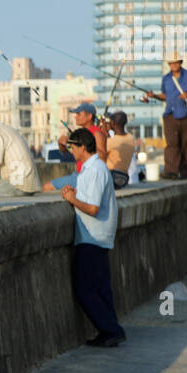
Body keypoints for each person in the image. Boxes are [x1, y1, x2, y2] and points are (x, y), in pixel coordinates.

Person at [59, 127, 124, 347]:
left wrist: (71, 199)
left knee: (85, 289)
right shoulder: (92, 168)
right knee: (101, 289)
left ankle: (111, 329)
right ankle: (111, 331)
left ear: (83, 147)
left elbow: (93, 208)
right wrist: (75, 194)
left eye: (73, 147)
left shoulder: (94, 169)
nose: (71, 151)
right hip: (96, 236)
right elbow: (90, 199)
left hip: (92, 237)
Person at [141, 58, 187, 179]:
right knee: (171, 144)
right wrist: (154, 96)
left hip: (186, 114)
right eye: (171, 63)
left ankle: (185, 172)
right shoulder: (166, 78)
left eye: (176, 62)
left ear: (180, 63)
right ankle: (171, 171)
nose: (174, 65)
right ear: (169, 64)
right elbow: (165, 96)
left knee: (186, 144)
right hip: (170, 114)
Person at [103, 110, 135, 189]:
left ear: (113, 123)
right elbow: (114, 143)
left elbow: (102, 150)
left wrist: (104, 132)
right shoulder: (131, 138)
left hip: (112, 176)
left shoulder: (112, 141)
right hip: (124, 177)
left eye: (110, 122)